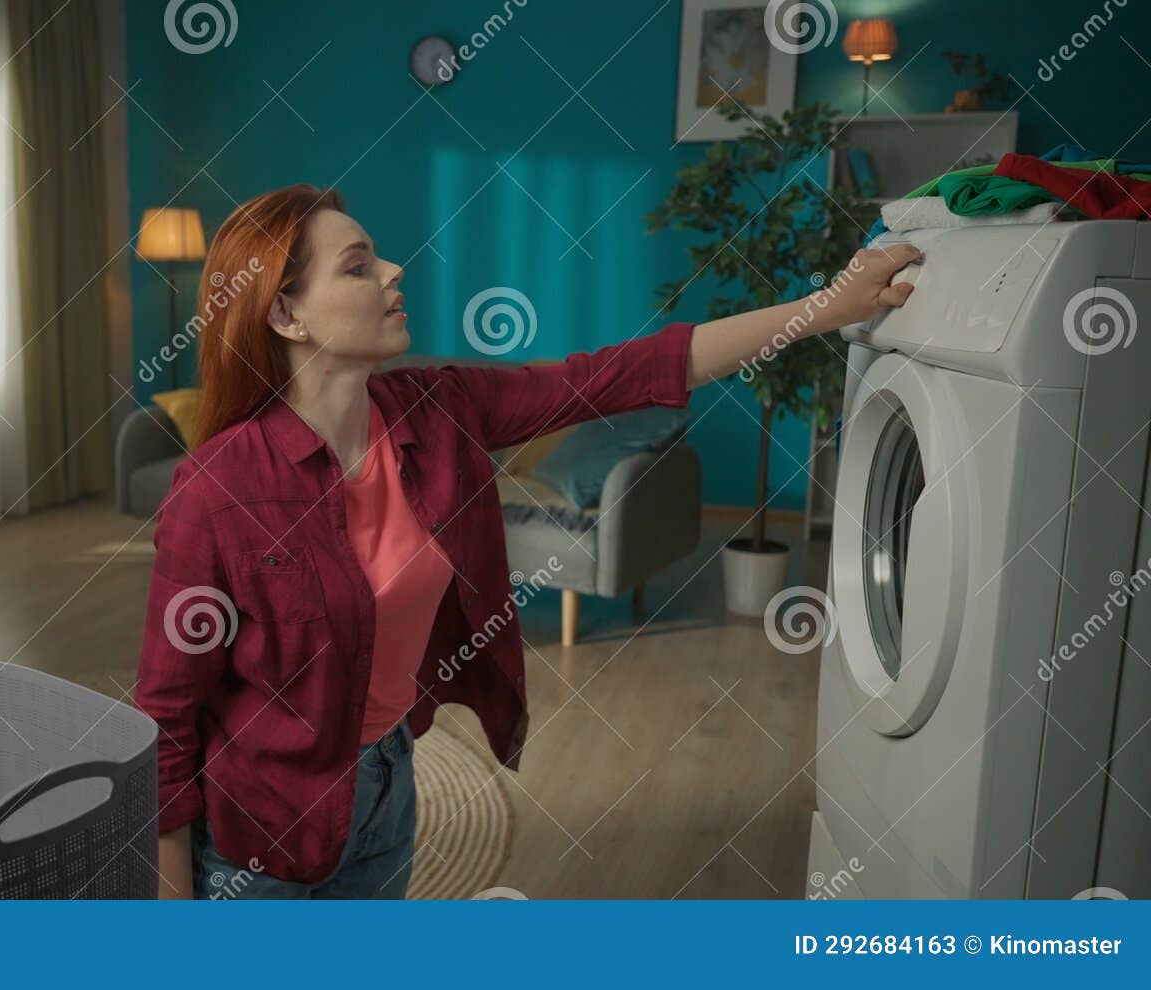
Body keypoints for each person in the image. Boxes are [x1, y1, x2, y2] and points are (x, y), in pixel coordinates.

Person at [133, 183, 921, 899]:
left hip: (387, 792)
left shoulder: (439, 410)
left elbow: (627, 371)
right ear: (285, 313)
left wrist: (828, 307)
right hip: (260, 839)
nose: (395, 271)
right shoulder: (216, 491)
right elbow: (167, 717)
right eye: (360, 266)